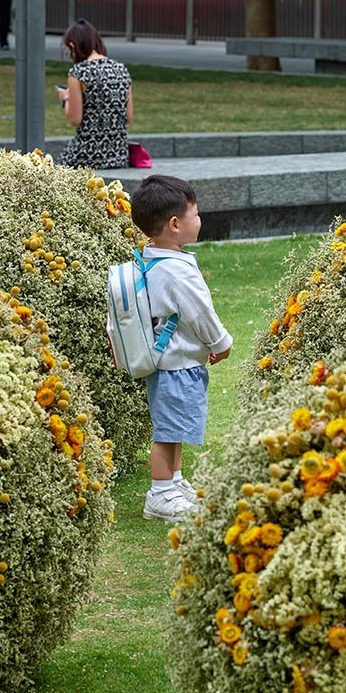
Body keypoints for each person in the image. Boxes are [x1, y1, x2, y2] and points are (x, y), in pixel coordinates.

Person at [130, 175, 233, 522]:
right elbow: (200, 314)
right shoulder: (177, 272)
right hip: (177, 364)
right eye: (196, 214)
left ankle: (173, 483)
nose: (199, 219)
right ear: (175, 224)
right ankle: (160, 494)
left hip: (171, 361)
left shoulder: (155, 259)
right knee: (167, 432)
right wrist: (221, 343)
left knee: (173, 428)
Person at [55, 19, 132, 170]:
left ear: (72, 45)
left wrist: (65, 99)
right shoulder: (121, 69)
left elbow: (75, 119)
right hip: (119, 155)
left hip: (86, 155)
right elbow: (128, 116)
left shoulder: (78, 72)